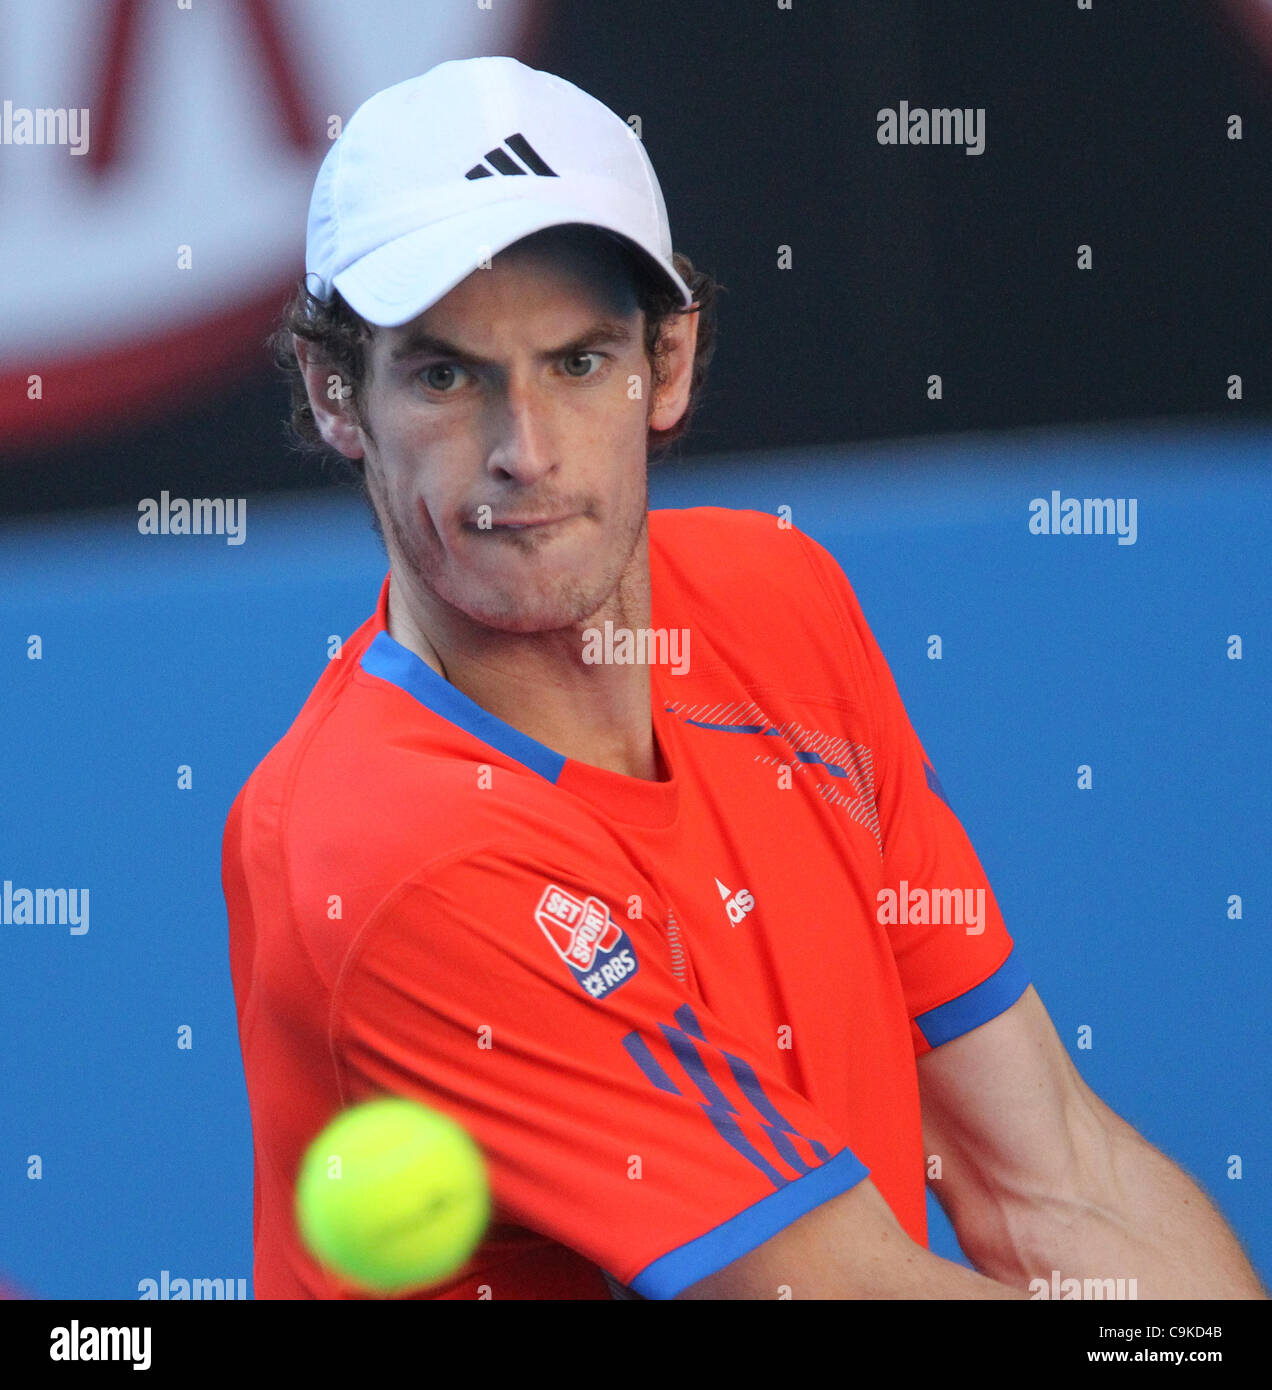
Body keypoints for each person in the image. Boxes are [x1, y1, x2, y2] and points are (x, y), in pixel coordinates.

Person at [222, 56, 1266, 1301]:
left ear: (666, 366)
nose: (526, 453)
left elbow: (1049, 1176)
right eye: (446, 375)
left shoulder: (777, 604)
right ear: (335, 393)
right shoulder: (394, 854)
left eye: (577, 360)